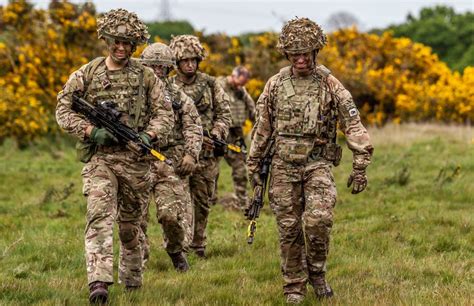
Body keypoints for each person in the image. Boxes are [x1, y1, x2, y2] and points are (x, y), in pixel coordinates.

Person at [247, 17, 374, 304]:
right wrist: (254, 164)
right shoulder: (275, 85)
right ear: (287, 54)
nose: (301, 59)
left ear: (316, 52)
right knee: (289, 228)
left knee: (318, 220)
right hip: (282, 167)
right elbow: (263, 127)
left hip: (317, 164)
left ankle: (317, 273)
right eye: (295, 53)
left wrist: (360, 165)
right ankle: (293, 285)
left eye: (306, 53)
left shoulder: (330, 84)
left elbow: (353, 124)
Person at [55, 9, 174, 303]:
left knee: (130, 228)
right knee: (98, 215)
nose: (121, 48)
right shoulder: (88, 73)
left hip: (136, 162)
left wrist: (148, 136)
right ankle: (98, 282)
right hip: (101, 160)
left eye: (127, 44)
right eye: (116, 42)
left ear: (134, 46)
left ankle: (132, 280)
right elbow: (63, 109)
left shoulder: (146, 76)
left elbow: (165, 115)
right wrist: (90, 131)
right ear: (106, 40)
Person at [132, 42, 203, 271]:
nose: (157, 71)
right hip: (138, 161)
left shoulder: (177, 96)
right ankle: (136, 263)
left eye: (162, 67)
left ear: (170, 69)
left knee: (170, 216)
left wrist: (191, 155)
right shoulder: (133, 94)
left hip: (168, 161)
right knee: (135, 219)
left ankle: (176, 250)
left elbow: (193, 126)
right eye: (153, 66)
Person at [169, 35, 232, 258]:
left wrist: (216, 133)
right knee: (177, 201)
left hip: (206, 154)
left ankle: (198, 242)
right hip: (177, 152)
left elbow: (225, 114)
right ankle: (179, 245)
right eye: (185, 60)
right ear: (176, 62)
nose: (190, 64)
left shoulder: (211, 84)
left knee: (203, 200)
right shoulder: (168, 86)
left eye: (194, 60)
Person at [215, 66, 255, 210]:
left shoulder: (241, 91)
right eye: (240, 82)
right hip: (217, 132)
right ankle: (210, 199)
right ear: (233, 75)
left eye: (243, 84)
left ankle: (241, 199)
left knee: (240, 166)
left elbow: (252, 108)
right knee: (211, 167)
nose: (241, 86)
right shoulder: (218, 85)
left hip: (235, 134)